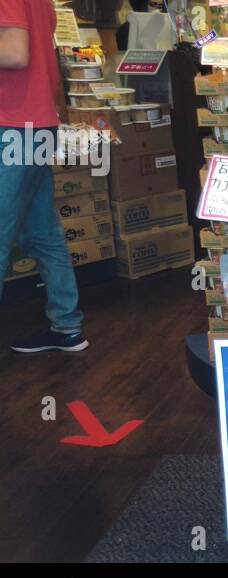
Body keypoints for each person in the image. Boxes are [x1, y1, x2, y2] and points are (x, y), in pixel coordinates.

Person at [1, 0, 88, 352]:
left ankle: (67, 324)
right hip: (36, 124)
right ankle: (67, 326)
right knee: (42, 232)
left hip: (11, 125)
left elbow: (17, 53)